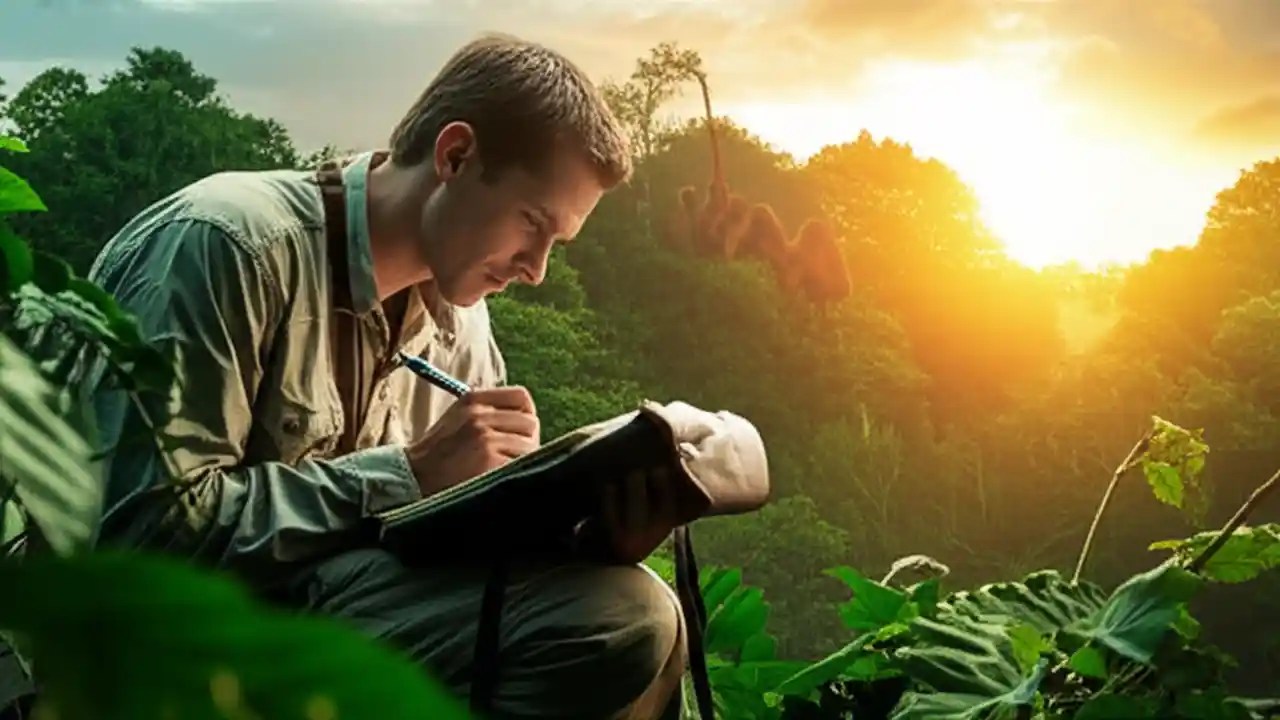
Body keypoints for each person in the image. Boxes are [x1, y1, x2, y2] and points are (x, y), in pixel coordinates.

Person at [80, 33, 688, 719]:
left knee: (646, 610)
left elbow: (440, 552)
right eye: (531, 223)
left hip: (315, 626)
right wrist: (408, 473)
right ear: (455, 155)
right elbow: (138, 540)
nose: (536, 268)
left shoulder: (464, 324)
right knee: (617, 618)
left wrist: (583, 541)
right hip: (155, 653)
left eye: (557, 242)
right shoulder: (225, 247)